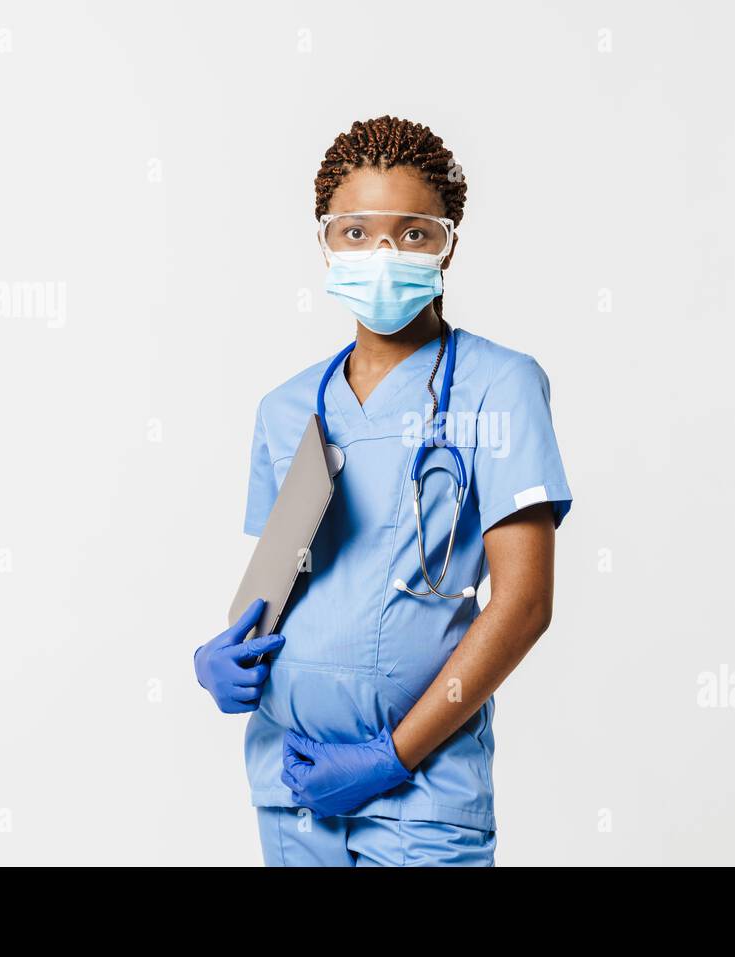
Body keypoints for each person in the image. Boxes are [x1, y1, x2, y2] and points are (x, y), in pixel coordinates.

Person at [193, 115, 572, 866]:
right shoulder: (286, 408)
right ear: (326, 243)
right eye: (357, 232)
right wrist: (219, 656)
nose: (382, 255)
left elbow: (525, 603)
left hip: (421, 789)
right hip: (290, 777)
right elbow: (285, 589)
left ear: (448, 244)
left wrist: (391, 756)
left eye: (411, 233)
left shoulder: (500, 386)